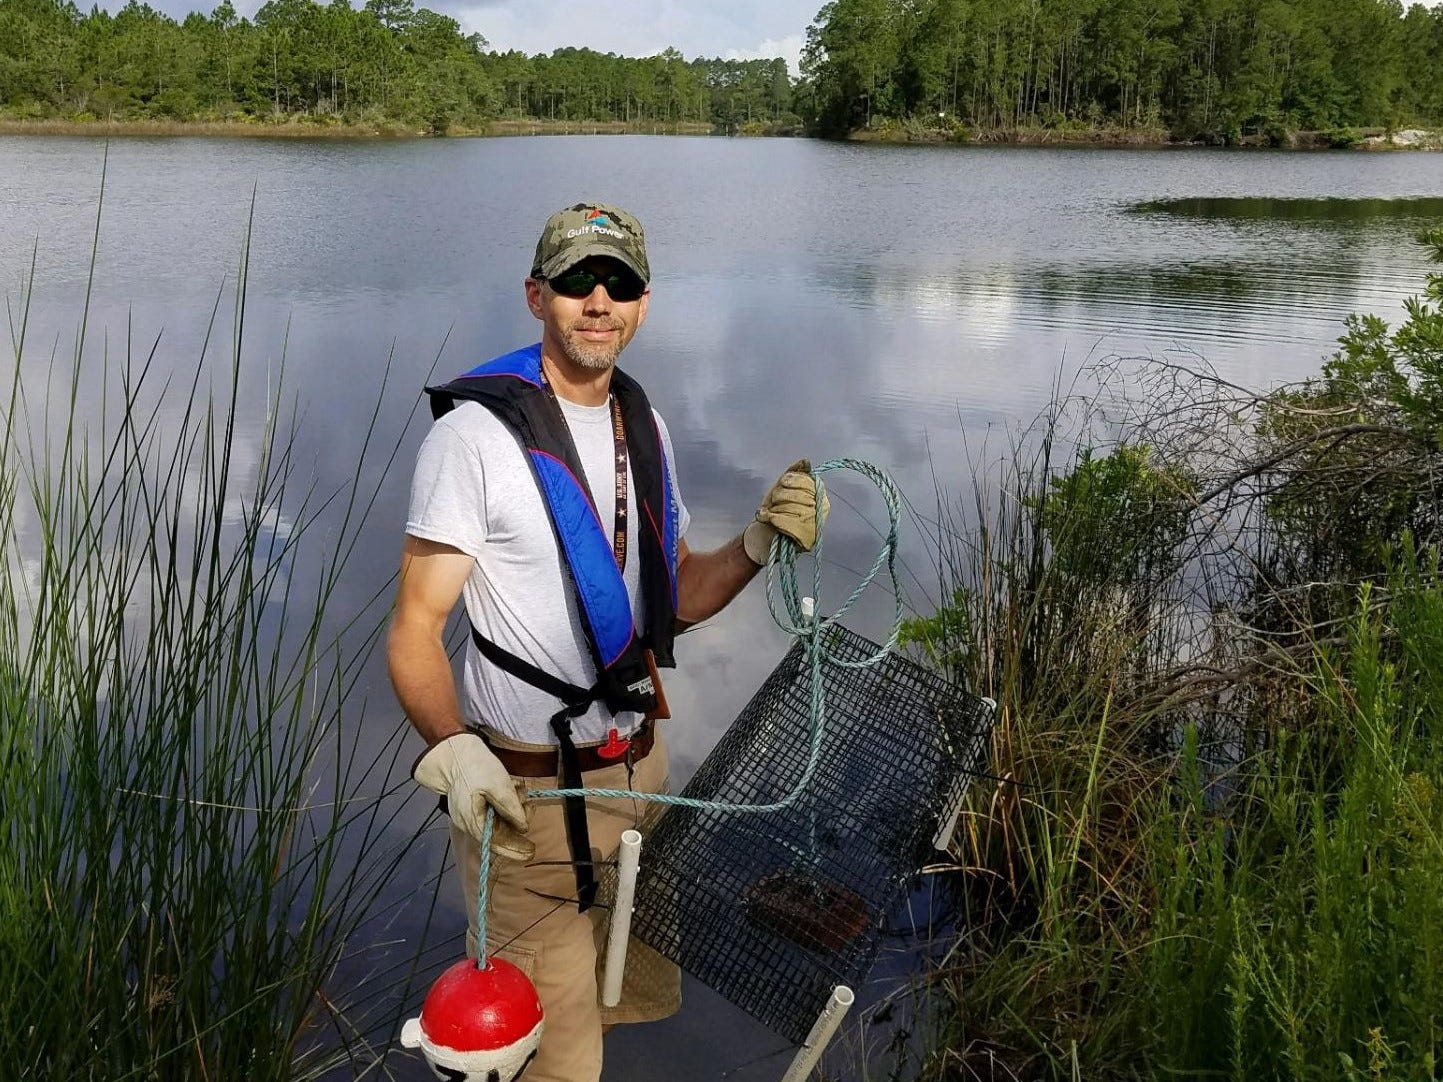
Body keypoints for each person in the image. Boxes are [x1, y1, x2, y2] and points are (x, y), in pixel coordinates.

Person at [387, 201, 828, 1082]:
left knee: (618, 996)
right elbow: (413, 631)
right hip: (528, 807)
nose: (598, 299)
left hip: (641, 777)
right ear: (536, 295)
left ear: (643, 302)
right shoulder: (472, 439)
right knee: (550, 1060)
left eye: (618, 282)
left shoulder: (644, 427)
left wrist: (755, 544)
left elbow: (673, 600)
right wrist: (454, 750)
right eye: (577, 281)